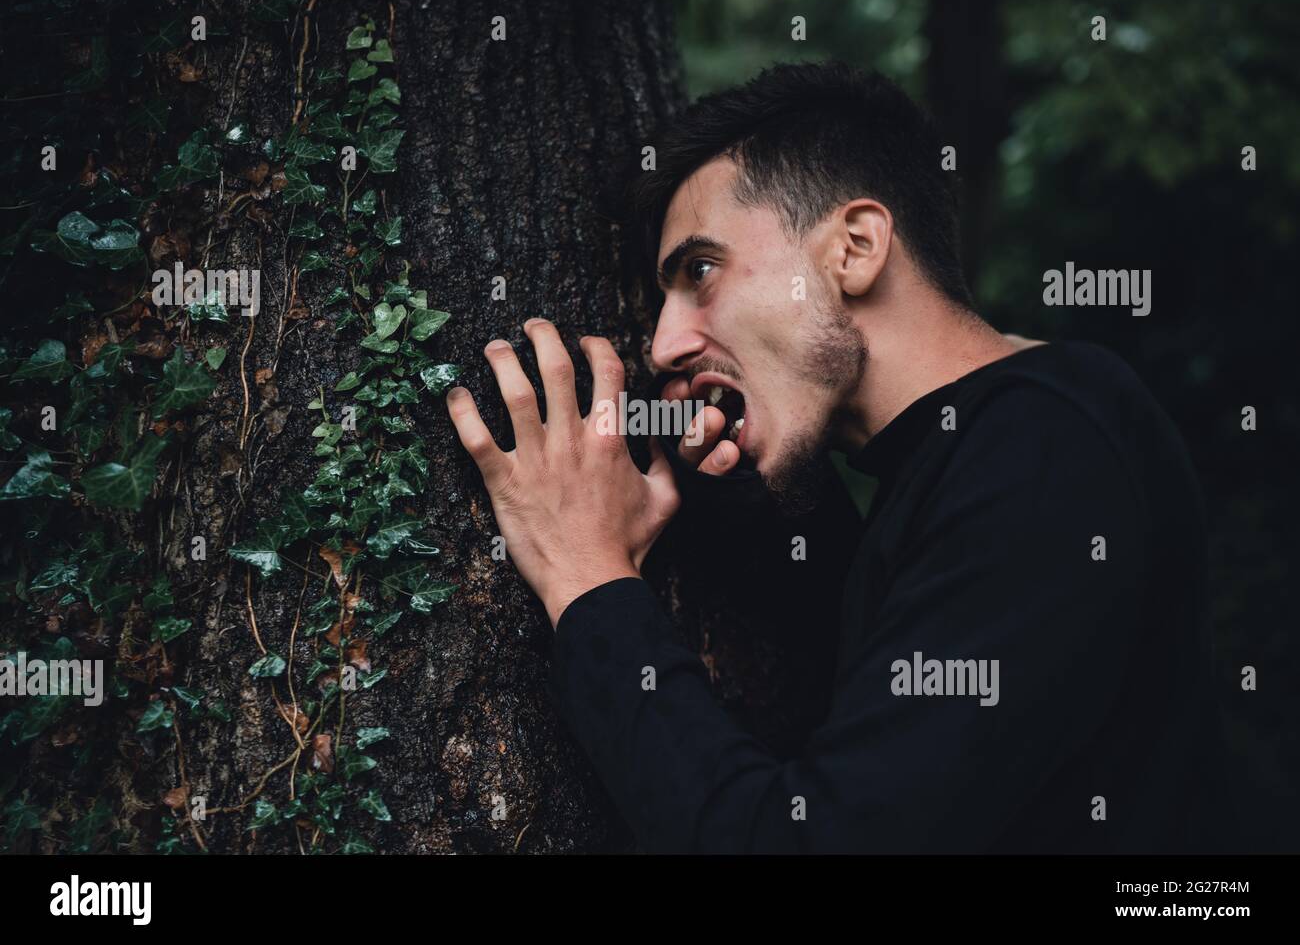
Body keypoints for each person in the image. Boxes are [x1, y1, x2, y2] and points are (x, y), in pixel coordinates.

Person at [445, 61, 1227, 853]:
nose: (662, 344)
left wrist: (587, 576)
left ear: (854, 247)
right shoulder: (981, 454)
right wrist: (753, 512)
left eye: (701, 270)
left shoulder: (1048, 445)